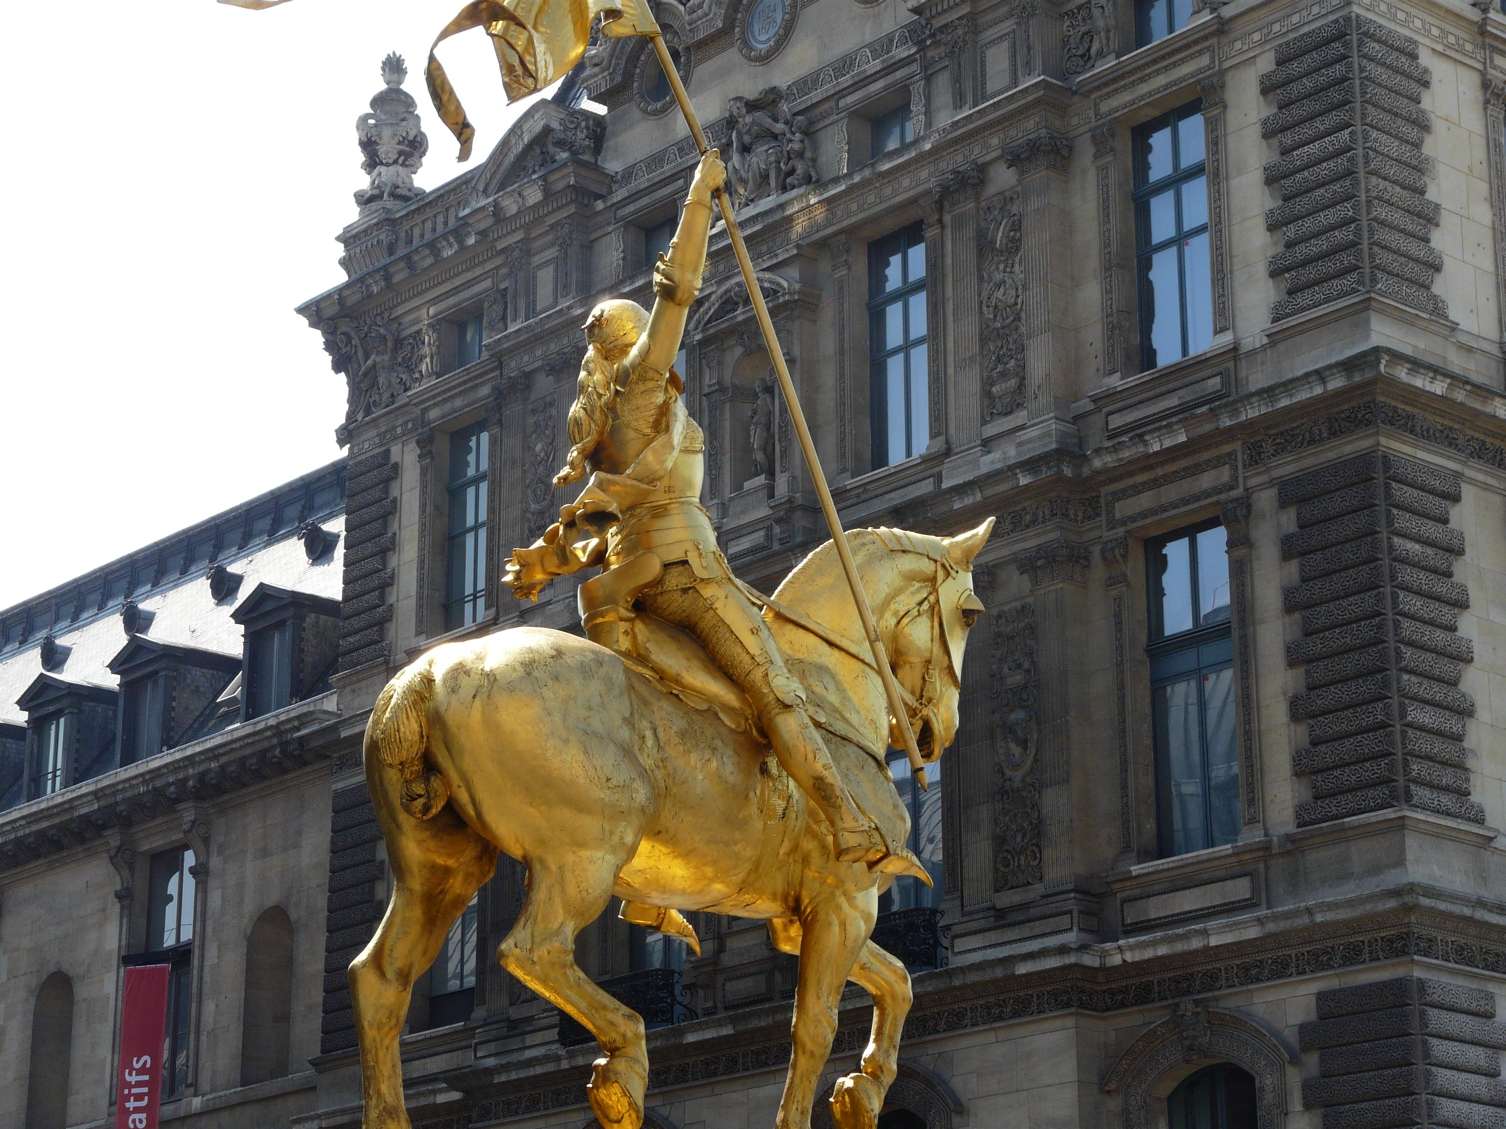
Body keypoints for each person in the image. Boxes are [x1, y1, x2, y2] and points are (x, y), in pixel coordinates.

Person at [505, 149, 886, 866]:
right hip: (683, 573)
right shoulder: (643, 389)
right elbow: (677, 289)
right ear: (632, 346)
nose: (661, 345)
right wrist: (699, 198)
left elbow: (600, 520)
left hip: (633, 579)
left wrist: (543, 564)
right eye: (645, 335)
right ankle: (847, 818)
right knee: (778, 691)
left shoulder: (602, 428)